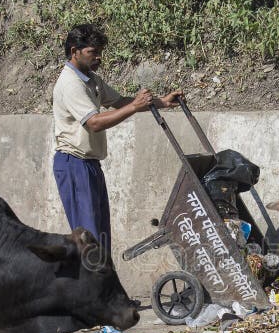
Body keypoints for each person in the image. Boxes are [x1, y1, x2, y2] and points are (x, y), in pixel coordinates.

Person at [52, 23, 182, 254]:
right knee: (88, 237)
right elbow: (94, 123)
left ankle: (101, 286)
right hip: (74, 165)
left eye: (100, 52)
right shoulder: (70, 83)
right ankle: (90, 288)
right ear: (75, 51)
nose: (99, 57)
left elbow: (119, 102)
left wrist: (162, 101)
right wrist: (134, 106)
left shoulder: (90, 79)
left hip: (89, 165)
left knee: (100, 235)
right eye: (93, 52)